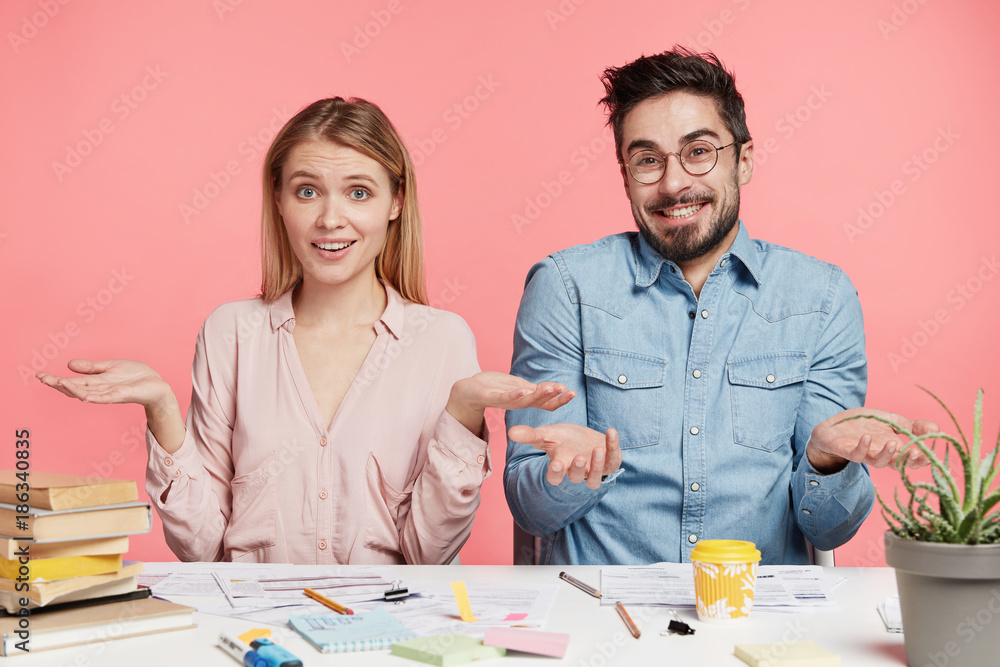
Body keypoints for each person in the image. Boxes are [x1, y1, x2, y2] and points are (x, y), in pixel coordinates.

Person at [38, 97, 574, 566]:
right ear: (278, 200)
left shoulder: (442, 340)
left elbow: (429, 555)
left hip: (385, 636)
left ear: (397, 202)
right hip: (254, 633)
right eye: (307, 191)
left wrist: (463, 414)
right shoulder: (231, 333)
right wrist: (160, 406)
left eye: (359, 193)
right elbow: (202, 549)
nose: (331, 219)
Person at [503, 49, 937, 566]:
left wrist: (824, 462)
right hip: (608, 617)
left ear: (744, 160)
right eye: (647, 160)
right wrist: (572, 472)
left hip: (758, 623)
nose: (673, 183)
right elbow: (530, 510)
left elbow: (829, 528)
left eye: (699, 151)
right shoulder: (566, 287)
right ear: (624, 176)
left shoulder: (821, 297)